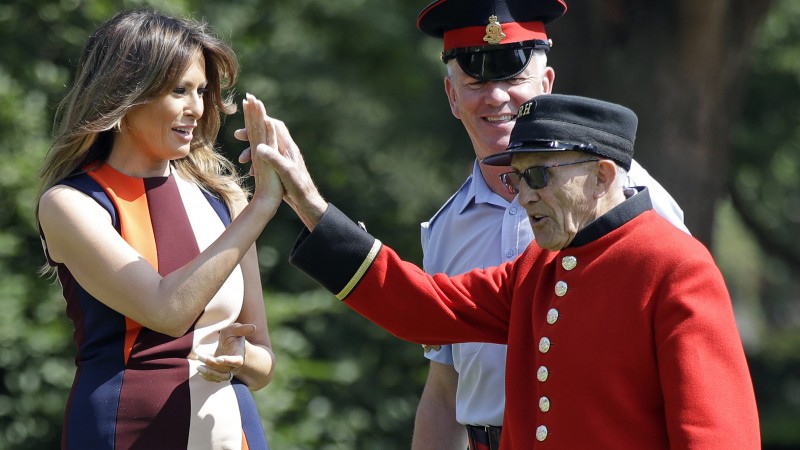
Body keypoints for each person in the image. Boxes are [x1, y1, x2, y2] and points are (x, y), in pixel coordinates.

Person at [247, 92, 760, 449]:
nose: (525, 195)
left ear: (603, 174)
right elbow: (424, 306)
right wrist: (309, 203)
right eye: (517, 179)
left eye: (539, 175)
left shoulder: (675, 265)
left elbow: (715, 436)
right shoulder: (540, 264)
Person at [412, 1, 689, 448]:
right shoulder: (447, 229)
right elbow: (444, 392)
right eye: (476, 81)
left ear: (547, 84)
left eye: (513, 78)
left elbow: (690, 365)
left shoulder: (630, 196)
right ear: (451, 96)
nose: (496, 97)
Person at [36, 9, 283, 449]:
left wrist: (241, 357)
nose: (197, 108)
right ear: (126, 94)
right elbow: (167, 313)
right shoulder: (71, 204)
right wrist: (264, 205)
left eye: (203, 91)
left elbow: (264, 361)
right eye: (179, 91)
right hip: (123, 433)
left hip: (233, 434)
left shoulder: (226, 201)